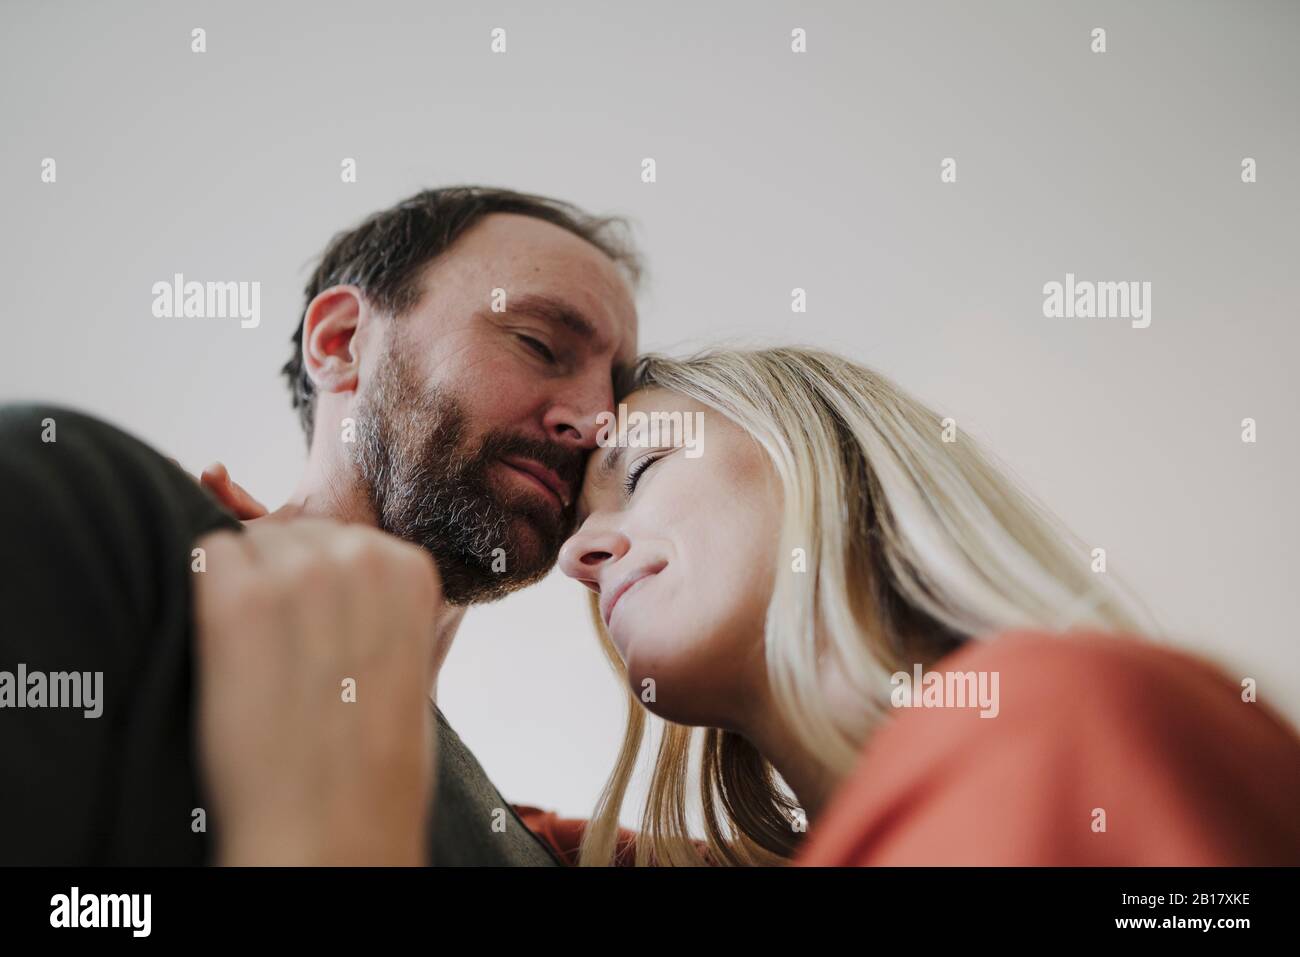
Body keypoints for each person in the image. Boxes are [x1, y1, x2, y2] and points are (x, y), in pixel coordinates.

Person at [0, 185, 641, 866]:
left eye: (620, 393)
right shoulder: (95, 516)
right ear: (338, 342)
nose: (599, 417)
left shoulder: (554, 849)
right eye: (540, 343)